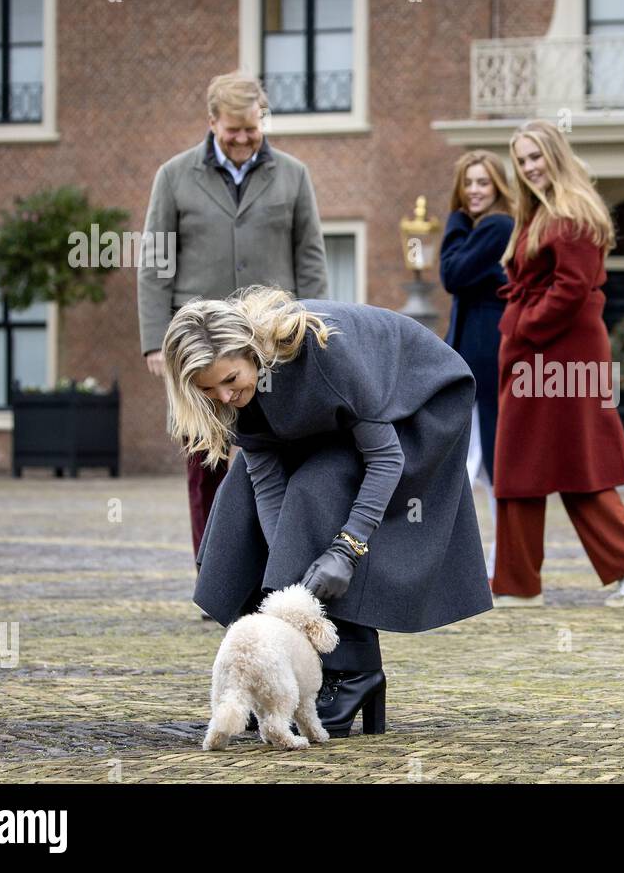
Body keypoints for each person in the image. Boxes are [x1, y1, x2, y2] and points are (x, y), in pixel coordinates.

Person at [162, 286, 493, 735]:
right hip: (335, 418)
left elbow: (385, 460)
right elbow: (265, 478)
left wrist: (346, 548)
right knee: (238, 498)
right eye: (209, 389)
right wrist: (291, 574)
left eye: (232, 380)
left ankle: (355, 670)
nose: (224, 396)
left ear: (250, 350)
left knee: (317, 490)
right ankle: (293, 671)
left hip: (420, 407)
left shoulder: (323, 354)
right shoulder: (228, 397)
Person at [136, 71, 328, 603]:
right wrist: (156, 340)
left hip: (272, 346)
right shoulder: (174, 177)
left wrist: (313, 327)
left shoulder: (293, 175)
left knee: (275, 463)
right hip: (199, 351)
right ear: (212, 122)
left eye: (253, 128)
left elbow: (310, 258)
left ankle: (277, 579)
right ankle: (215, 581)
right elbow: (155, 263)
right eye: (234, 130)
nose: (244, 138)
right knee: (209, 469)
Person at [491, 118, 624, 609]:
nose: (529, 168)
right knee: (542, 464)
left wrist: (526, 327)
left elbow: (571, 288)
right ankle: (518, 580)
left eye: (536, 156)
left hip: (553, 354)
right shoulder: (549, 213)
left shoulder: (568, 216)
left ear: (555, 154)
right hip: (547, 352)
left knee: (550, 463)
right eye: (522, 160)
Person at [439, 150, 516, 579]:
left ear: (498, 187)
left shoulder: (495, 226)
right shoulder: (480, 228)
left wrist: (453, 222)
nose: (473, 191)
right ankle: (480, 561)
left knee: (481, 460)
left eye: (483, 182)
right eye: (467, 183)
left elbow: (451, 274)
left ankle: (492, 562)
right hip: (471, 355)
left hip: (487, 357)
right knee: (476, 461)